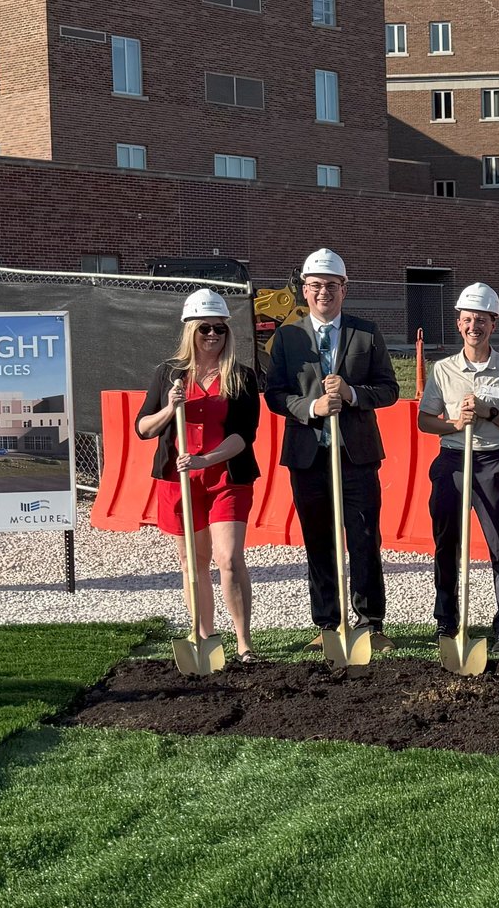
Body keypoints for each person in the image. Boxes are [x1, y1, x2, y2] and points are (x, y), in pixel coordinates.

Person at [262, 247, 400, 642]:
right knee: (318, 539)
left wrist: (354, 394)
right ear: (304, 290)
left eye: (332, 285)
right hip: (308, 456)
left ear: (345, 289)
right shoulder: (287, 338)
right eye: (316, 285)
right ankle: (327, 623)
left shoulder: (366, 332)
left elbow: (389, 389)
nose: (324, 292)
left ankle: (370, 623)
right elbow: (275, 395)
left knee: (363, 538)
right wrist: (312, 407)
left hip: (356, 455)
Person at [135, 288, 260, 660]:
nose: (212, 335)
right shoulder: (168, 374)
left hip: (227, 478)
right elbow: (144, 428)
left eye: (219, 329)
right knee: (193, 560)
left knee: (229, 558)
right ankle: (206, 638)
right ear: (190, 329)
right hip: (178, 482)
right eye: (205, 327)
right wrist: (169, 408)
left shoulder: (241, 376)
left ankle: (244, 642)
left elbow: (244, 435)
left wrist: (207, 460)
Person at [417, 281, 499, 652]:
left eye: (482, 319)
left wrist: (491, 413)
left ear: (493, 324)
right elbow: (425, 420)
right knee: (446, 545)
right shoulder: (443, 369)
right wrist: (454, 424)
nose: (474, 326)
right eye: (468, 319)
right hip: (452, 460)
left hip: (492, 462)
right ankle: (446, 622)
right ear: (459, 324)